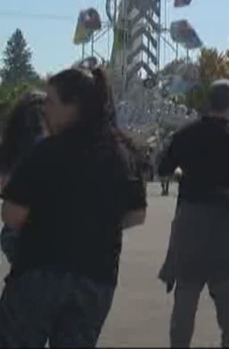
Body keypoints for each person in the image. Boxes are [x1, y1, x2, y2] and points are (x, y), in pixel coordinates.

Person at [0, 67, 147, 347]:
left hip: (41, 271)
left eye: (52, 102)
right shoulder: (122, 153)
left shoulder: (48, 151)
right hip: (97, 277)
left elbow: (13, 214)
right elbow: (136, 213)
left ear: (75, 107)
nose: (45, 109)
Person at [158, 79, 229, 349]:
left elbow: (164, 168)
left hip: (189, 222)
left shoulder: (186, 133)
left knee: (186, 297)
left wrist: (184, 172)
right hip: (225, 224)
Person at [0, 91, 47, 265]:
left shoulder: (10, 147)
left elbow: (4, 185)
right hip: (43, 232)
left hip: (14, 231)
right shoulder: (51, 145)